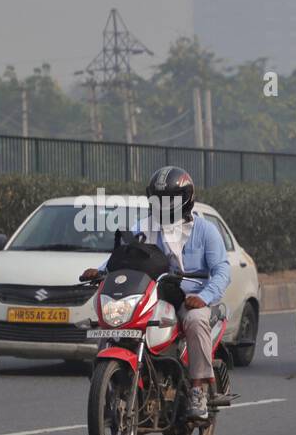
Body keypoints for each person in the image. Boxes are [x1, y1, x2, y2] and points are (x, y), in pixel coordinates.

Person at [80, 166, 231, 419]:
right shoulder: (145, 226)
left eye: (168, 199)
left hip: (191, 299)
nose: (163, 205)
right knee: (116, 323)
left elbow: (222, 271)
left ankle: (197, 390)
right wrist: (100, 271)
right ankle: (108, 383)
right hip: (156, 294)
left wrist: (203, 297)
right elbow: (126, 254)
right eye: (158, 199)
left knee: (195, 321)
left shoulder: (206, 231)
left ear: (185, 200)